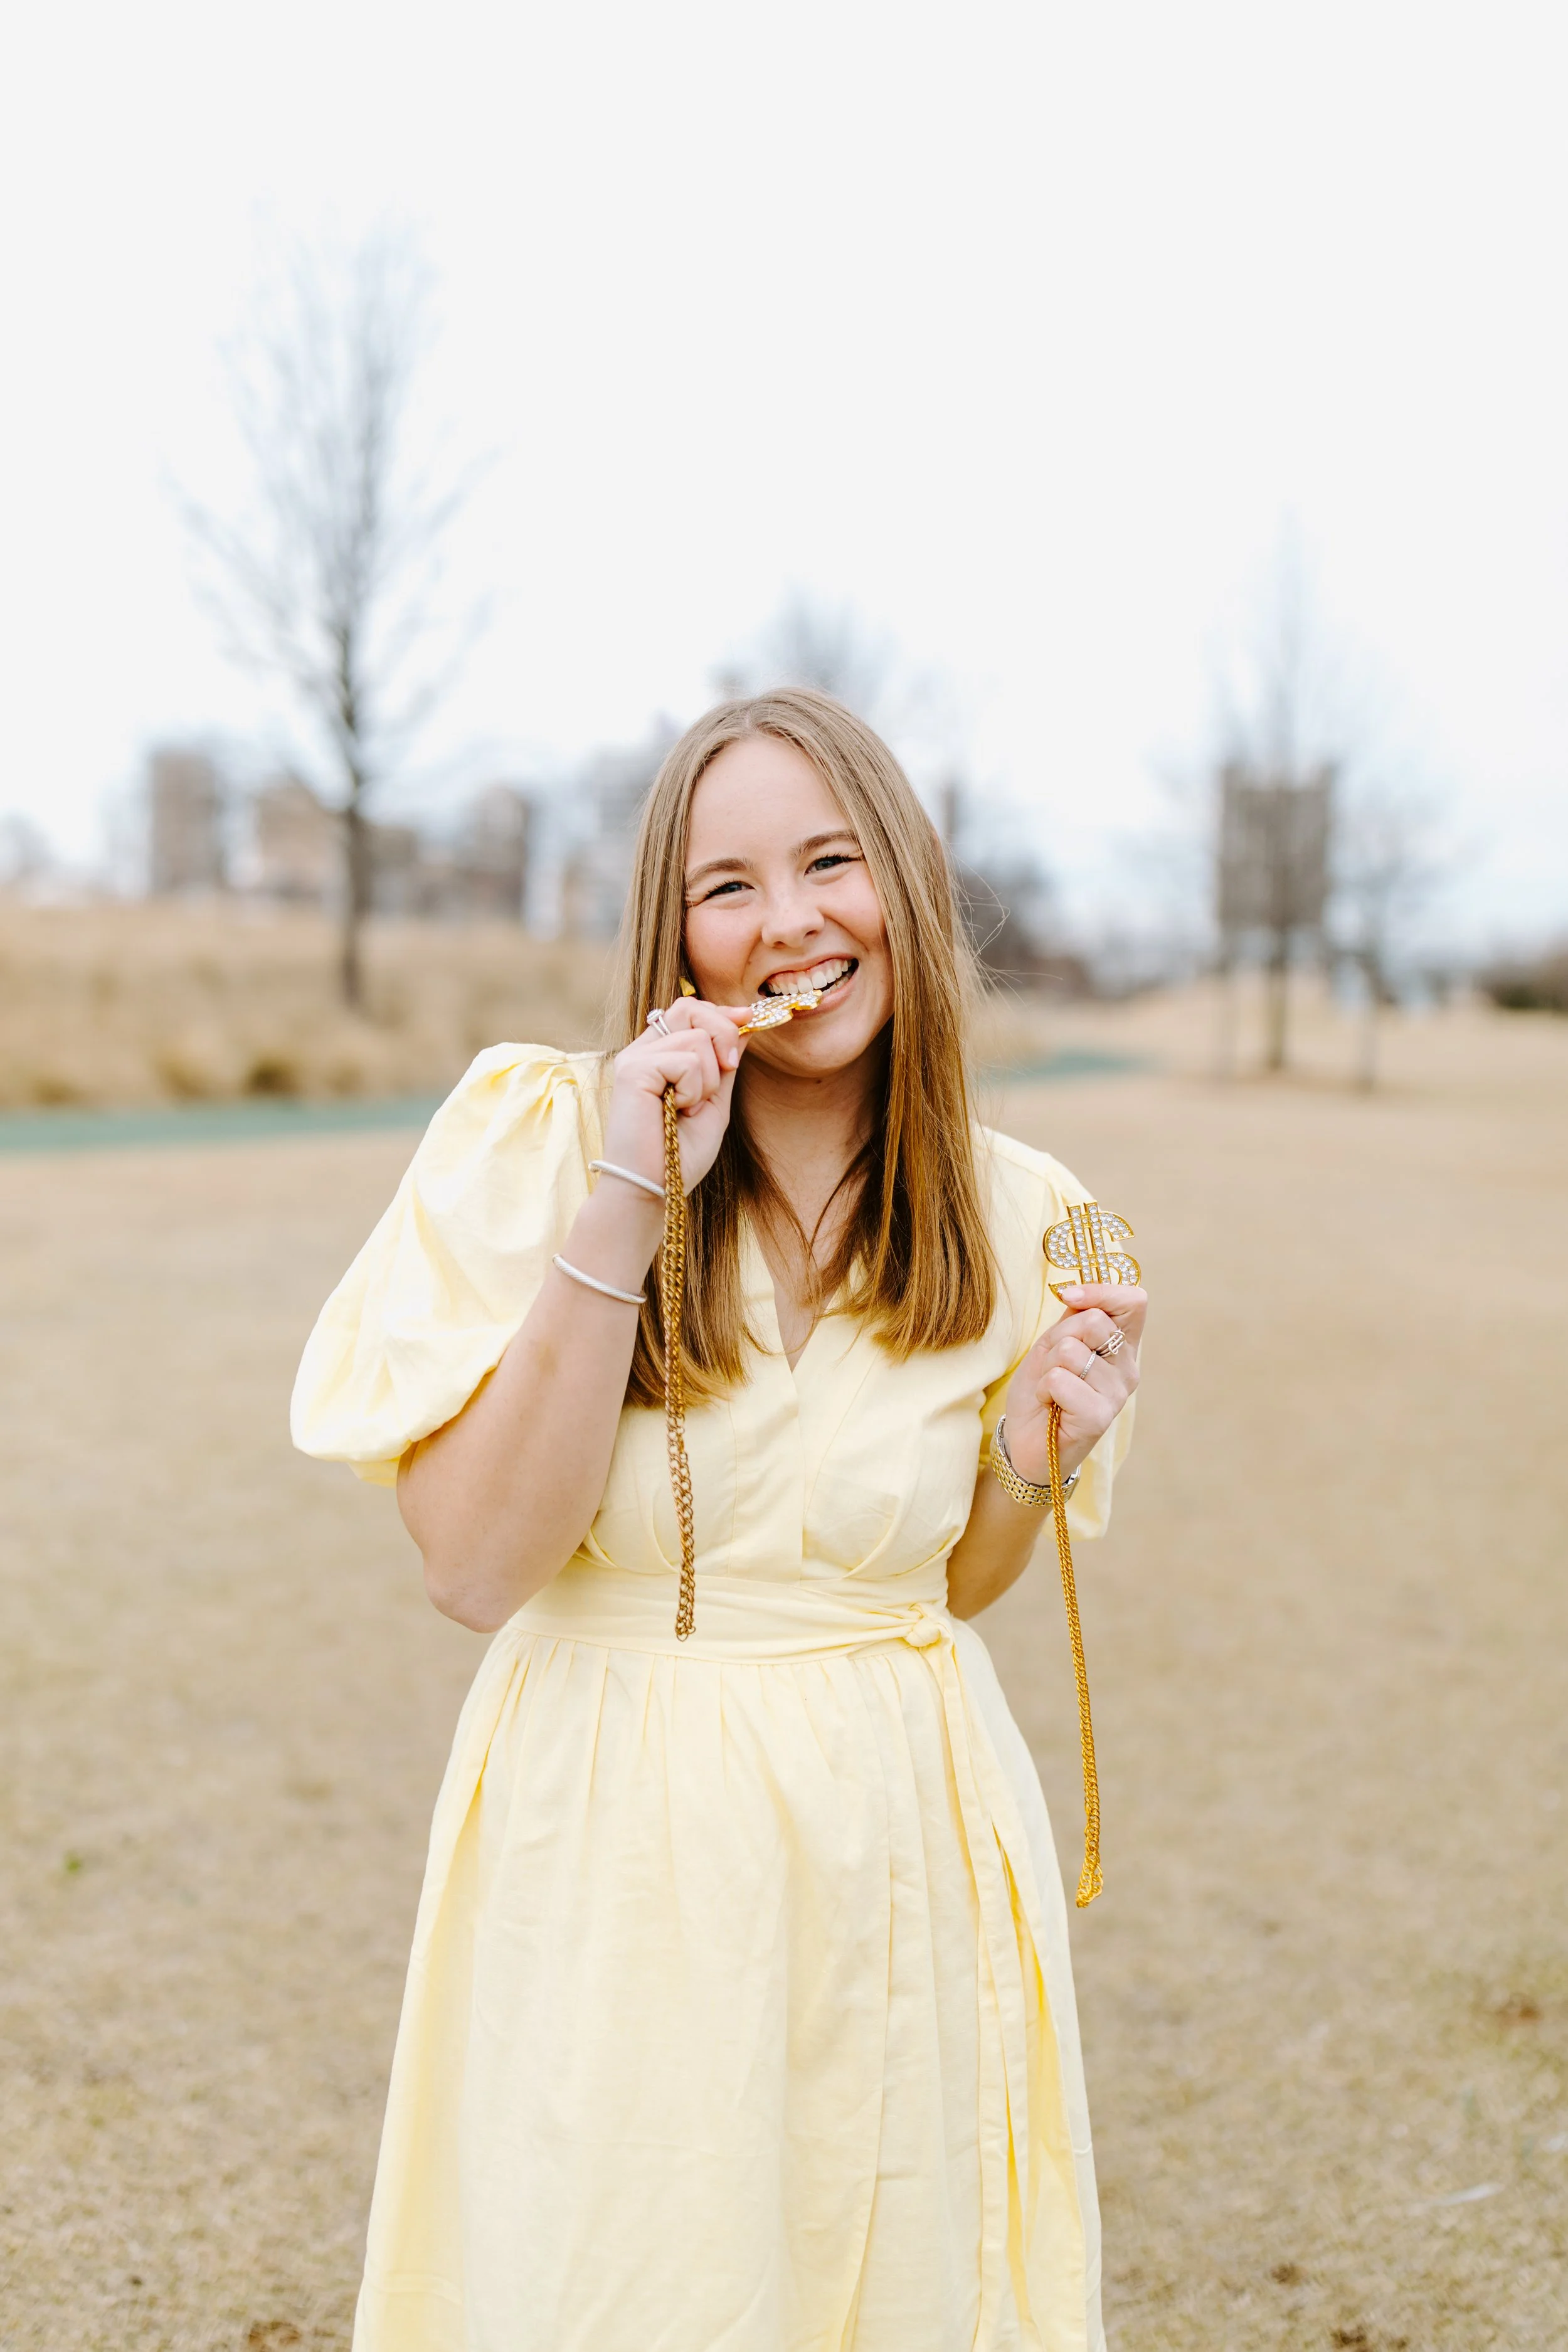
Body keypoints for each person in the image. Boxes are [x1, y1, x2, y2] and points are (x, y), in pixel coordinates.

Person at [291, 687, 1144, 2352]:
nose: (789, 922)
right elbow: (474, 1565)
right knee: (623, 2271)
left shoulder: (1031, 1209)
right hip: (614, 1831)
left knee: (890, 2271)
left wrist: (1032, 1457)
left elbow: (946, 1583)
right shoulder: (542, 1136)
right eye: (726, 884)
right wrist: (630, 1189)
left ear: (903, 881)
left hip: (906, 1821)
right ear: (671, 936)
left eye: (830, 861)